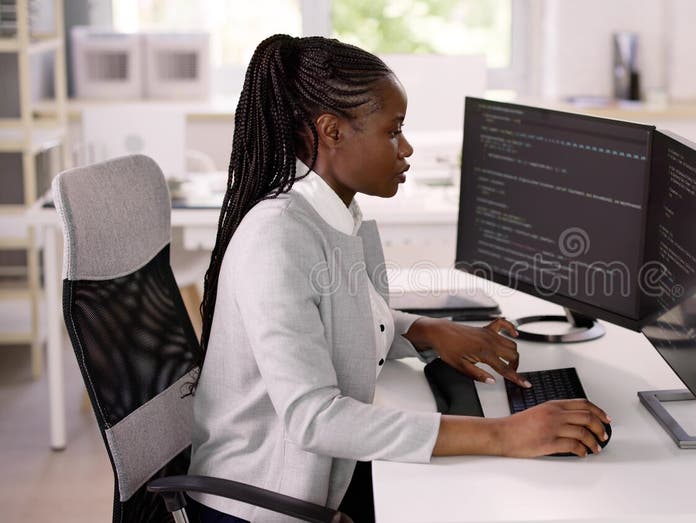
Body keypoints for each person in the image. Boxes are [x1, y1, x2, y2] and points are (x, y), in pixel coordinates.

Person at [187, 34, 611, 523]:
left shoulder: (334, 212)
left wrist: (426, 331)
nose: (406, 148)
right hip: (266, 497)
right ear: (332, 131)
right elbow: (313, 419)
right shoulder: (278, 237)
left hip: (323, 474)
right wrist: (504, 434)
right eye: (394, 131)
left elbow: (339, 314)